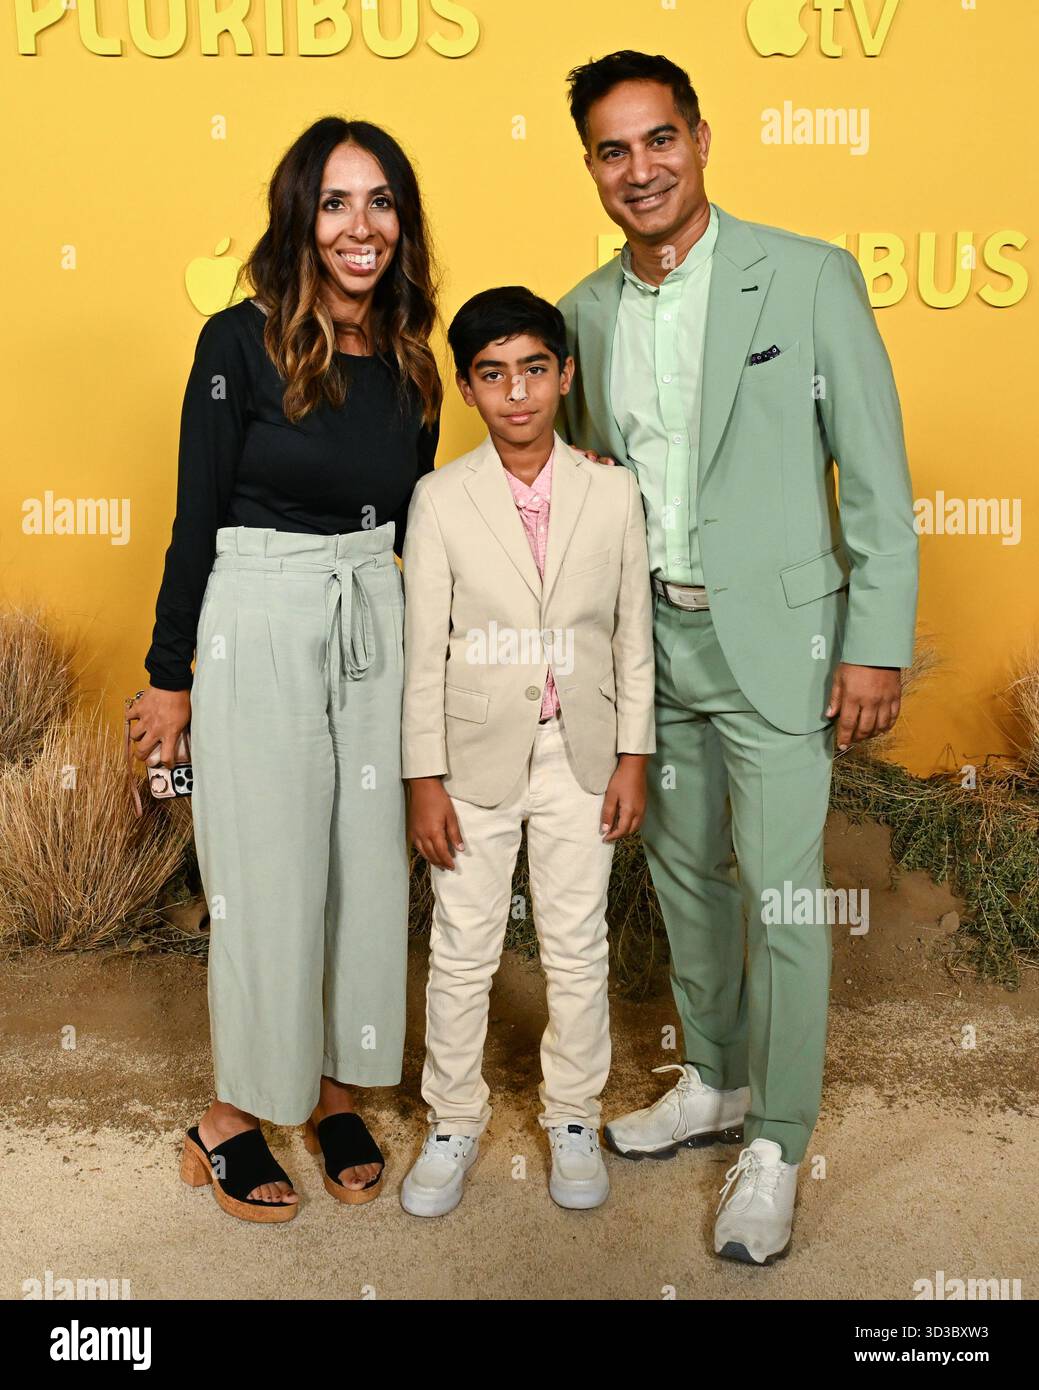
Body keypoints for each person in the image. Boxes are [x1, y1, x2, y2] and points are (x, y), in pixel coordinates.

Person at [555, 51, 919, 1263]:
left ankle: (774, 1136)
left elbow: (870, 474)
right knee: (682, 884)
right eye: (613, 149)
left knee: (781, 889)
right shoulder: (582, 316)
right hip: (651, 650)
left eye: (658, 140)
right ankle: (707, 1078)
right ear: (592, 168)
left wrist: (872, 643)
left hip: (783, 640)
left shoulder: (807, 278)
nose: (639, 168)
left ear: (700, 139)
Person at [127, 117, 442, 1223]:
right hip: (257, 609)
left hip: (373, 610)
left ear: (402, 223)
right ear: (300, 218)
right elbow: (196, 513)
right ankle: (230, 1114)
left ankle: (329, 1088)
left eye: (382, 202)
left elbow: (425, 514)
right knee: (265, 875)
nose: (362, 227)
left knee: (362, 867)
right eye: (336, 203)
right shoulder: (236, 343)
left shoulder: (411, 354)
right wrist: (172, 678)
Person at [398, 286, 655, 1216]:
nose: (517, 393)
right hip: (470, 762)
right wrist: (422, 779)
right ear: (468, 389)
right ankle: (453, 1119)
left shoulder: (611, 490)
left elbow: (633, 635)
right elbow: (423, 649)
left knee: (576, 945)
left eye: (535, 371)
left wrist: (633, 756)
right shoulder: (438, 499)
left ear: (564, 375)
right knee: (464, 947)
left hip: (580, 755)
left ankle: (574, 1114)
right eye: (494, 375)